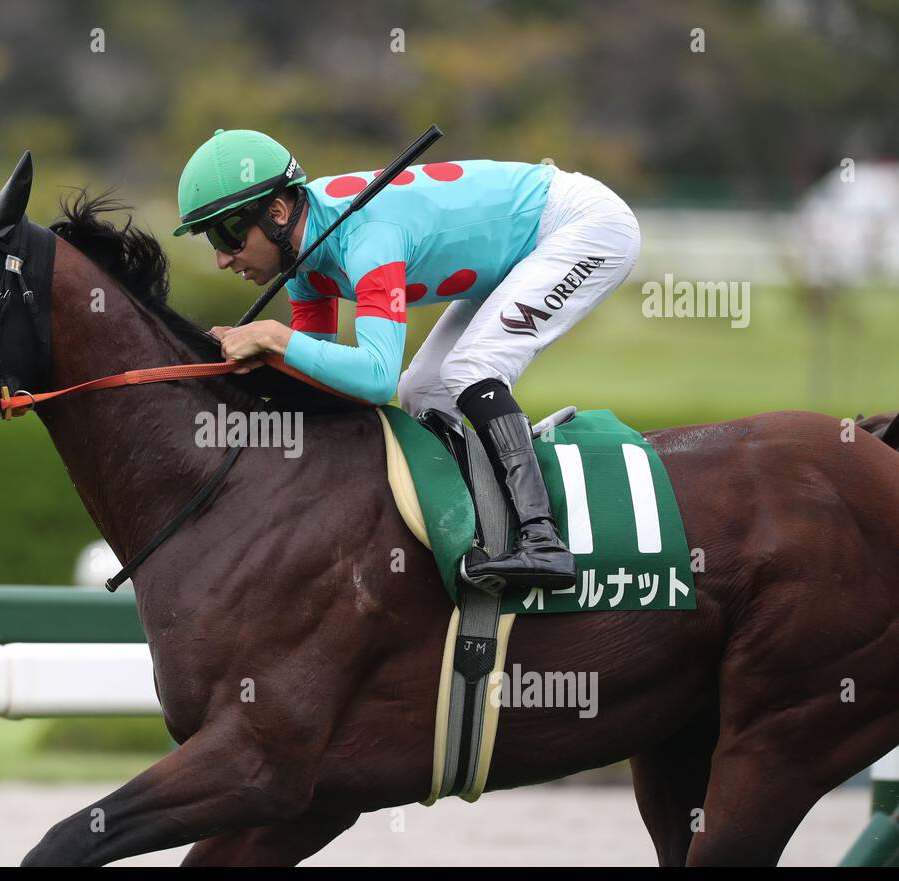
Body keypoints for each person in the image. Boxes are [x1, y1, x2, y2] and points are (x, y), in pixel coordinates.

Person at [174, 129, 641, 591]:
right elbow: (315, 378)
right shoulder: (304, 260)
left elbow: (377, 378)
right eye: (210, 239)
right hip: (521, 248)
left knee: (471, 369)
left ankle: (543, 541)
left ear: (277, 211)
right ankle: (482, 527)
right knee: (423, 390)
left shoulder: (366, 236)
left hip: (584, 227)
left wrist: (275, 338)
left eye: (227, 233)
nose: (220, 258)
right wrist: (244, 364)